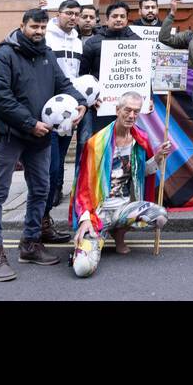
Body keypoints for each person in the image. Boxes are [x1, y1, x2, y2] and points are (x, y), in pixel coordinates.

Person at [0, 8, 88, 282]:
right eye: (34, 27)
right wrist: (29, 123)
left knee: (41, 189)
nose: (38, 32)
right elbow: (0, 98)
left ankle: (30, 244)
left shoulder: (46, 55)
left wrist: (81, 103)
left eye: (42, 27)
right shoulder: (3, 56)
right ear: (22, 26)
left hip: (40, 137)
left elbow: (63, 84)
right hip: (10, 136)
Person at [70, 92, 171, 278]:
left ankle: (118, 234)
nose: (132, 116)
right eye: (127, 110)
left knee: (160, 216)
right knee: (82, 269)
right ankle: (96, 237)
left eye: (136, 111)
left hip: (123, 208)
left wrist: (157, 158)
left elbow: (142, 173)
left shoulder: (139, 140)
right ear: (117, 110)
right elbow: (83, 187)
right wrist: (85, 219)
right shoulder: (96, 143)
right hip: (97, 214)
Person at [73, 2, 142, 180]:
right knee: (90, 144)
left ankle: (117, 183)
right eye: (114, 16)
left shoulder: (137, 42)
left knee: (122, 145)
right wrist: (89, 98)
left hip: (125, 109)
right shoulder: (93, 42)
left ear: (127, 19)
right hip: (98, 106)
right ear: (107, 19)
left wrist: (146, 95)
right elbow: (82, 75)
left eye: (122, 17)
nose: (118, 20)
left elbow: (143, 73)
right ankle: (83, 184)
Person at [42, 0, 84, 244]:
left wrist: (80, 102)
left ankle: (43, 221)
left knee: (56, 168)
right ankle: (40, 221)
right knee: (49, 167)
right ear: (58, 14)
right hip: (49, 112)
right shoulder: (46, 36)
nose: (73, 17)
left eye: (76, 14)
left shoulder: (77, 41)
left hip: (68, 111)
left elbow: (72, 77)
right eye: (69, 12)